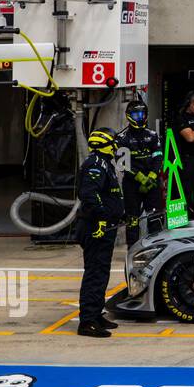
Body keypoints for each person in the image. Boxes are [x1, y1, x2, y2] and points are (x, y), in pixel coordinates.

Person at [75, 129, 126, 339]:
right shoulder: (96, 164)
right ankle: (87, 322)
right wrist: (103, 217)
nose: (116, 146)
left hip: (105, 227)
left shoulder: (105, 163)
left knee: (101, 272)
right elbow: (89, 195)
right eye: (113, 142)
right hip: (96, 228)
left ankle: (96, 314)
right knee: (95, 274)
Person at [114, 99, 163, 247]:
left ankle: (158, 247)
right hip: (132, 185)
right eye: (135, 115)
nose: (139, 118)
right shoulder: (121, 138)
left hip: (152, 183)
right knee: (132, 219)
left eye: (141, 114)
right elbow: (122, 164)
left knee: (155, 217)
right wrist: (140, 178)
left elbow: (158, 157)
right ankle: (132, 250)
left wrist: (152, 176)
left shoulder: (153, 135)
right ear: (129, 116)